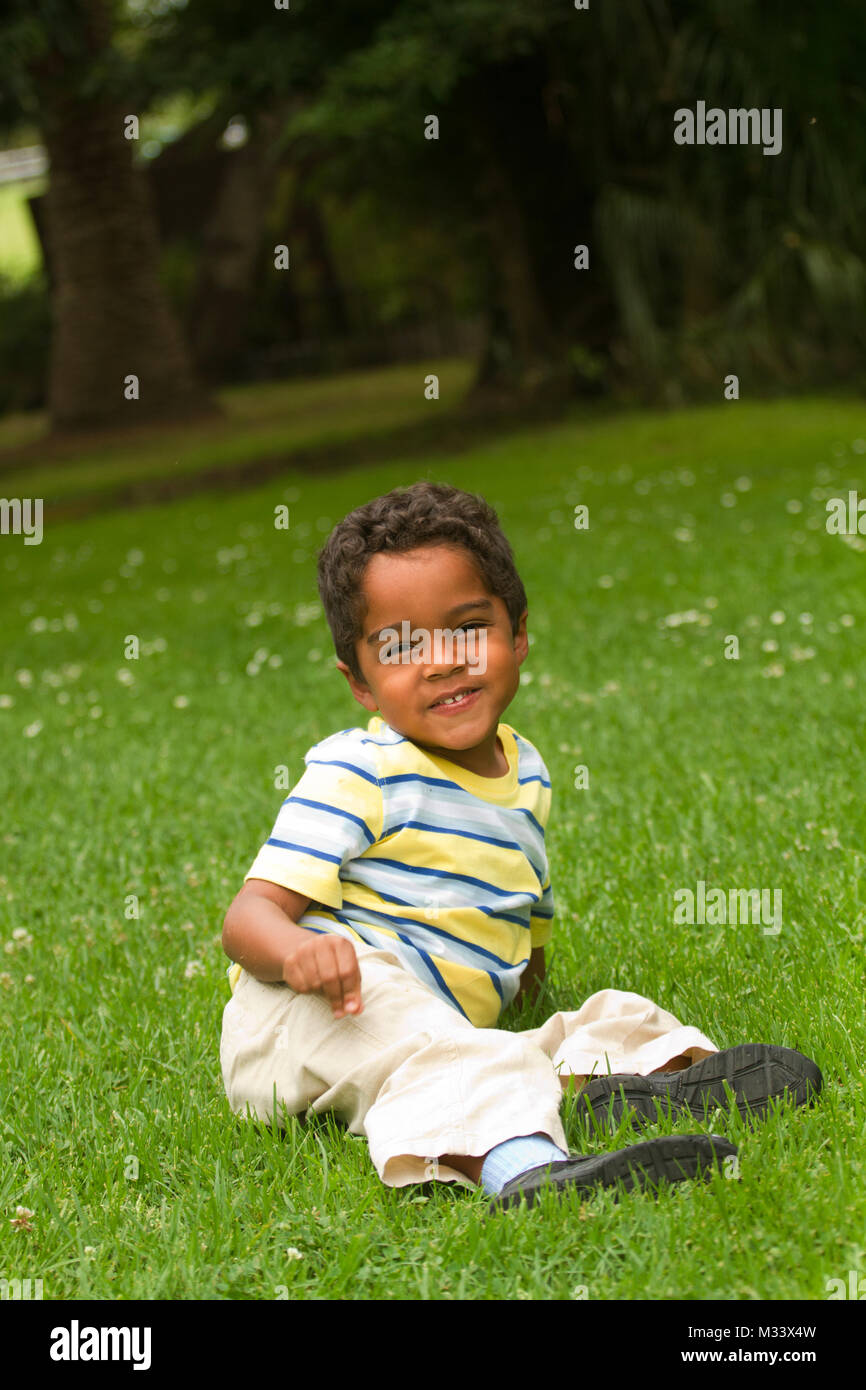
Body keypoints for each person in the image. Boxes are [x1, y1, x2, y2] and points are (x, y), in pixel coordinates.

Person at [219, 482, 821, 1212]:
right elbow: (245, 918)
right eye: (402, 645)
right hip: (313, 1013)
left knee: (598, 1018)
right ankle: (526, 1170)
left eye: (467, 627)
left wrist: (530, 990)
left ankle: (639, 1087)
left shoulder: (525, 769)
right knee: (437, 1055)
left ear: (518, 635)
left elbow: (520, 905)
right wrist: (295, 954)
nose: (442, 662)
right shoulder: (360, 770)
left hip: (442, 1028)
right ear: (360, 682)